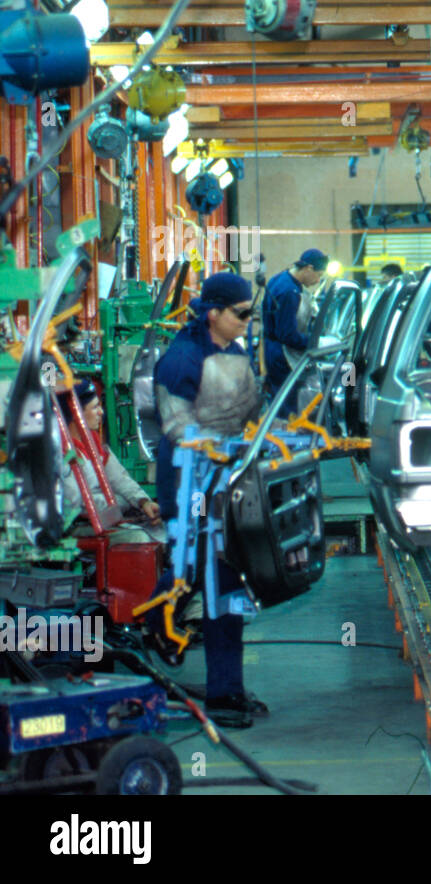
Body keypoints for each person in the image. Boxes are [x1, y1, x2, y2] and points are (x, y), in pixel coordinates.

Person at [148, 272, 265, 729]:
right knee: (205, 575)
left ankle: (226, 688)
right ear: (213, 312)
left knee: (222, 582)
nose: (247, 321)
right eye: (241, 313)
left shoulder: (233, 353)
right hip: (189, 485)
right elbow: (176, 426)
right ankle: (161, 626)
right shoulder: (181, 359)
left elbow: (250, 410)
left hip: (225, 482)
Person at [57, 380, 164, 542]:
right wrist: (117, 503)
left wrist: (143, 502)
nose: (101, 412)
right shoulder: (62, 451)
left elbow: (120, 479)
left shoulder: (94, 443)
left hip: (101, 518)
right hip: (76, 526)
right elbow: (74, 502)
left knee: (162, 532)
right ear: (75, 413)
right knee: (139, 539)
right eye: (95, 407)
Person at [262, 248, 327, 415]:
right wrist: (317, 344)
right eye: (318, 275)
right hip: (283, 356)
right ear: (308, 268)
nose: (318, 280)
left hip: (272, 350)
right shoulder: (290, 292)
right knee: (289, 408)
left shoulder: (280, 278)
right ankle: (289, 438)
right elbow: (287, 335)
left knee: (279, 401)